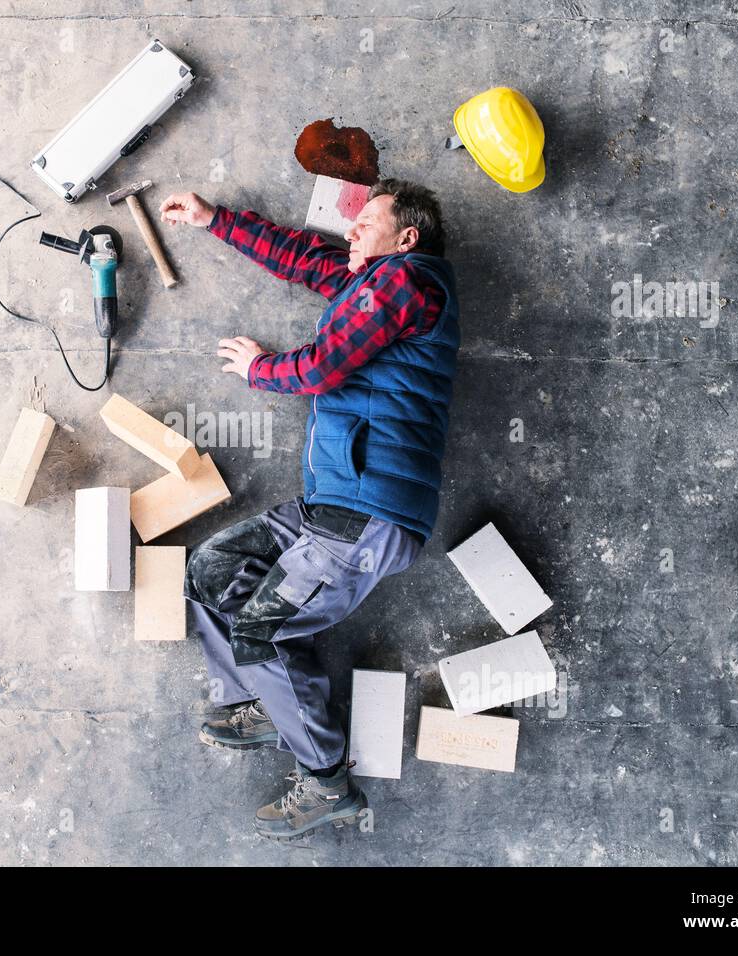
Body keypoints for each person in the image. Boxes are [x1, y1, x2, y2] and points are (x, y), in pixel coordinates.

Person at [158, 180, 461, 840]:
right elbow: (304, 258)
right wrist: (215, 221)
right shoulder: (371, 284)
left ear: (405, 238)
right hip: (333, 502)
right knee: (211, 571)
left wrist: (261, 370)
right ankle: (261, 703)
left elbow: (321, 370)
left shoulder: (406, 282)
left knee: (261, 631)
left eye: (366, 222)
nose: (350, 231)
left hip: (369, 510)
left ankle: (327, 783)